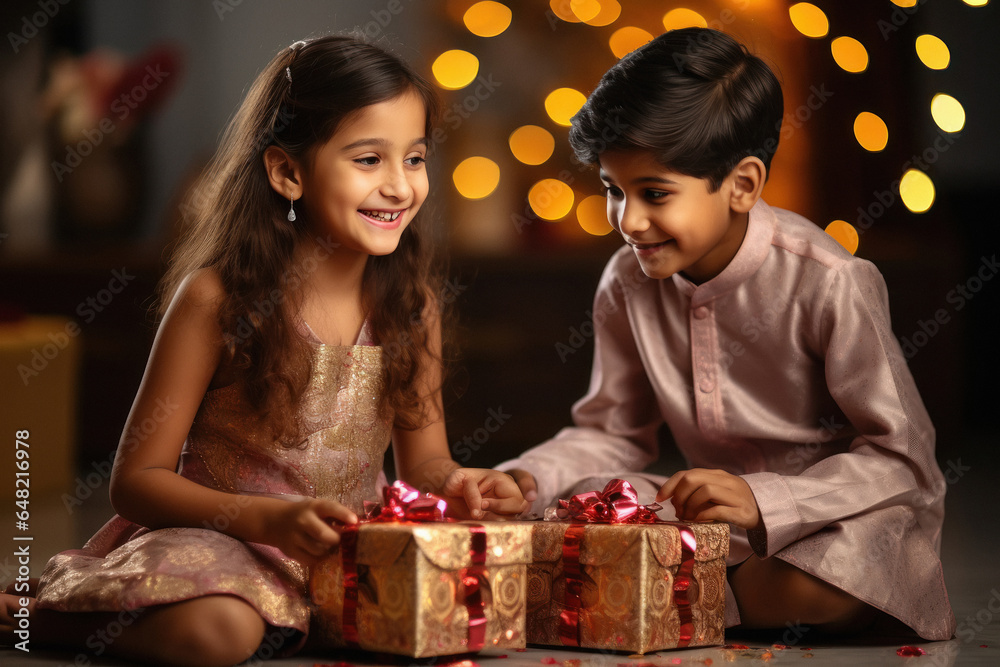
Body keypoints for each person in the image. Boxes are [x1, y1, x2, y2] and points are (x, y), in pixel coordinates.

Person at [1, 34, 526, 666]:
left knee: (497, 603)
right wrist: (264, 521)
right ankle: (41, 617)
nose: (399, 186)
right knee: (220, 635)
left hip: (344, 552)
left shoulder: (412, 307)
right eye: (368, 160)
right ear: (287, 173)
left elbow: (425, 466)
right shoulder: (216, 299)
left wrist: (461, 484)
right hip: (221, 544)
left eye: (414, 159)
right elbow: (135, 482)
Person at [498, 28, 955, 641]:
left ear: (742, 184)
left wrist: (766, 500)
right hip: (708, 522)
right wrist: (525, 479)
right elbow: (610, 433)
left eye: (654, 194)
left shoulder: (832, 281)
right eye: (613, 190)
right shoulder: (626, 281)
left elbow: (904, 460)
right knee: (580, 498)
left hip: (836, 519)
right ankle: (695, 586)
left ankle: (675, 589)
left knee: (809, 579)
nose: (628, 221)